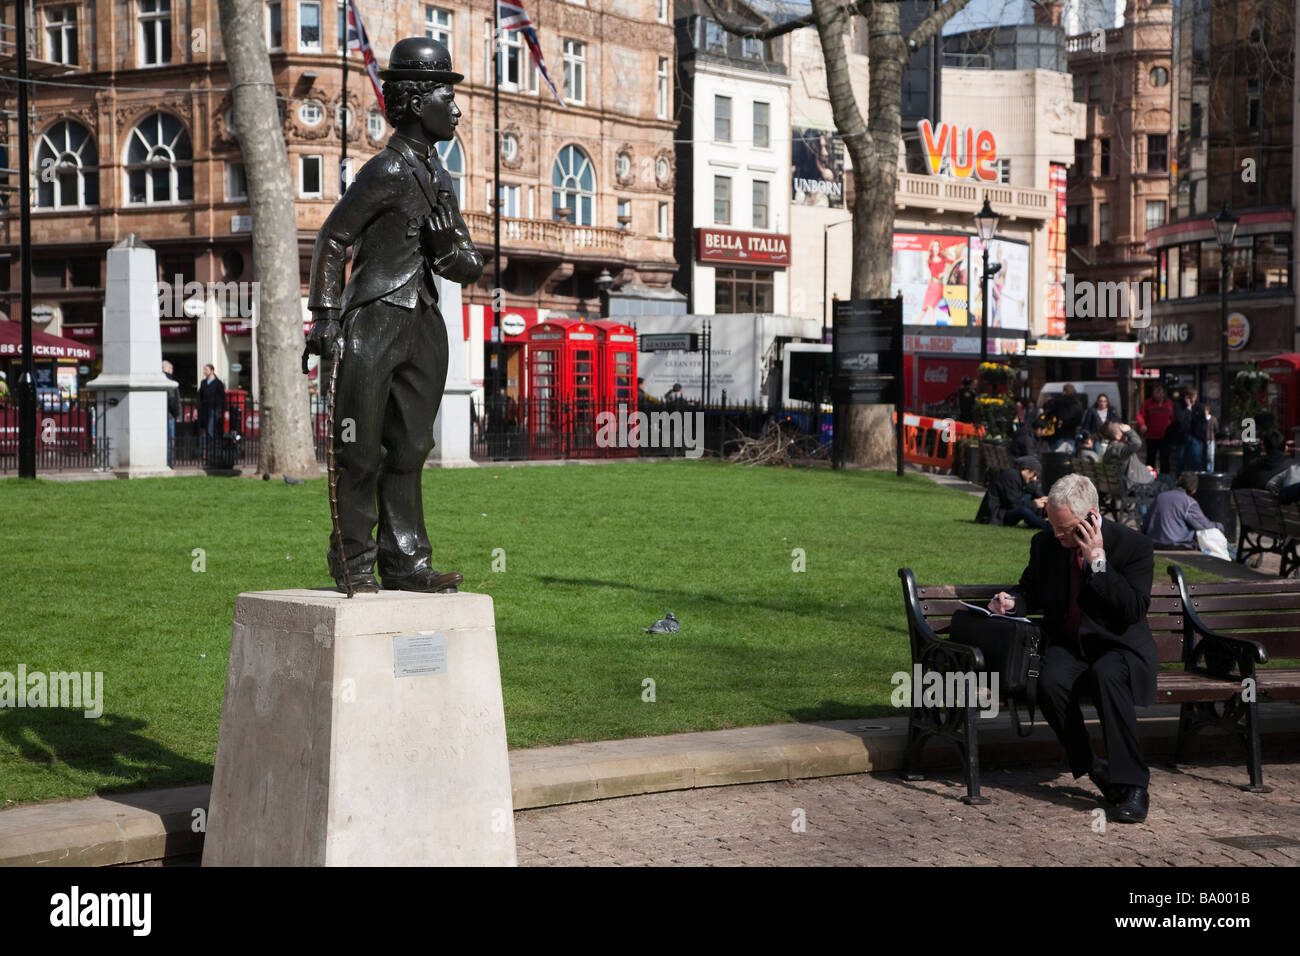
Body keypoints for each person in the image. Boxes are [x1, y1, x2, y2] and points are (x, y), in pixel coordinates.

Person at [305, 37, 484, 594]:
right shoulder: (383, 171)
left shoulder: (442, 179)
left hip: (423, 320)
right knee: (358, 446)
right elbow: (334, 238)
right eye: (444, 95)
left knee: (410, 447)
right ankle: (353, 558)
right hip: (375, 319)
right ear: (411, 103)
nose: (455, 109)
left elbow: (469, 261)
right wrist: (327, 315)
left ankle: (406, 559)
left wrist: (447, 250)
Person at [988, 474, 1156, 824]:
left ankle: (1133, 784)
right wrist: (1011, 601)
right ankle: (1095, 768)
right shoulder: (1046, 544)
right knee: (1048, 681)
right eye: (1054, 526)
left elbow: (1133, 610)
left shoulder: (1133, 546)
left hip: (1118, 647)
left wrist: (1097, 562)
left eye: (1066, 529)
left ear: (1092, 516)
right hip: (1070, 644)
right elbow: (1029, 590)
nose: (1059, 536)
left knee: (1108, 675)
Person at [1142, 472, 1223, 549]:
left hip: (1155, 542)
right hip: (1176, 544)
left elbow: (1146, 520)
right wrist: (1219, 526)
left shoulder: (1161, 496)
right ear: (1194, 489)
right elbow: (1203, 525)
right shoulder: (1189, 502)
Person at [975, 455, 1050, 530]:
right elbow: (1014, 505)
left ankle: (1038, 521)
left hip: (1004, 510)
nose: (1035, 478)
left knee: (1035, 498)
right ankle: (1046, 525)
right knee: (1023, 511)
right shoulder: (1011, 478)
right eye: (1034, 474)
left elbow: (1033, 489)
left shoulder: (1018, 476)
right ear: (1025, 470)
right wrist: (1034, 504)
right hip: (995, 515)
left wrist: (1043, 499)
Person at [1137, 384, 1175, 474]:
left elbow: (1174, 418)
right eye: (1156, 391)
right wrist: (1142, 424)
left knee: (1165, 459)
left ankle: (1165, 479)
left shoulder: (1169, 403)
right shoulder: (1147, 403)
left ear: (1164, 393)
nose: (1159, 393)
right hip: (1151, 436)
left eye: (1160, 391)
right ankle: (1150, 477)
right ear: (1153, 393)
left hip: (1165, 436)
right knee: (1150, 459)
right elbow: (1140, 415)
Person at [1171, 386, 1207, 474]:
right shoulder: (1179, 406)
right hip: (1182, 437)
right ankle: (1180, 480)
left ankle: (1197, 481)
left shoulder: (1199, 407)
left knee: (1196, 460)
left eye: (1195, 397)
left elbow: (1201, 422)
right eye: (1191, 397)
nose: (1193, 399)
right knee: (1181, 460)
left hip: (1196, 436)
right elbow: (1180, 420)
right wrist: (1188, 409)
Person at [197, 363, 225, 466]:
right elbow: (199, 397)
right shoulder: (203, 383)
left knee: (210, 430)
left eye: (206, 370)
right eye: (204, 369)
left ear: (212, 371)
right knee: (205, 430)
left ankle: (209, 452)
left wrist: (225, 410)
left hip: (215, 409)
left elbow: (223, 398)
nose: (204, 371)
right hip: (205, 410)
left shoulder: (218, 383)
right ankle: (205, 451)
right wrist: (196, 409)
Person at [162, 360, 181, 468]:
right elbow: (172, 399)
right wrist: (176, 413)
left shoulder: (159, 379)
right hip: (169, 415)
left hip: (161, 414)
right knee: (170, 440)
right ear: (169, 369)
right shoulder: (170, 380)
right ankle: (169, 463)